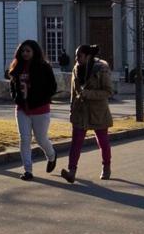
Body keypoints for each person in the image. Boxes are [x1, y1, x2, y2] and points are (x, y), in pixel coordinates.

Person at [61, 44, 113, 183]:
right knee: (76, 142)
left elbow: (108, 91)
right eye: (76, 55)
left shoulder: (102, 68)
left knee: (102, 141)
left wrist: (89, 93)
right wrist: (72, 108)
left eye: (79, 56)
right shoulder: (76, 69)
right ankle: (72, 171)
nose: (76, 58)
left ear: (88, 56)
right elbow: (73, 91)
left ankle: (106, 166)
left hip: (98, 112)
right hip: (80, 111)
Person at [8, 39, 58, 181]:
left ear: (34, 52)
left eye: (28, 51)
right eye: (23, 51)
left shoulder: (44, 67)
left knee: (41, 139)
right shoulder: (17, 67)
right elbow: (13, 85)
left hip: (40, 109)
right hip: (22, 109)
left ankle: (52, 155)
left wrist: (41, 98)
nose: (25, 53)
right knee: (24, 139)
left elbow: (52, 87)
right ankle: (28, 170)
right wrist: (16, 97)